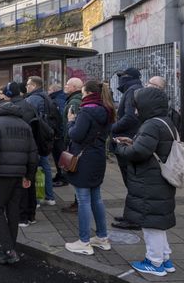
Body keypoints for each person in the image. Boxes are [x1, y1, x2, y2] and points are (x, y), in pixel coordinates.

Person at [114, 87, 177, 277]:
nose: (135, 111)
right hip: (160, 181)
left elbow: (139, 153)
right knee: (157, 221)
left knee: (150, 224)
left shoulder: (151, 125)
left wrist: (121, 149)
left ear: (147, 105)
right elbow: (149, 147)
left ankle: (154, 262)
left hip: (149, 182)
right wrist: (133, 142)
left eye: (137, 107)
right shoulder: (164, 122)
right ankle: (165, 259)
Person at [0, 101, 38, 265]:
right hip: (18, 175)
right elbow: (33, 154)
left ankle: (9, 250)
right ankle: (11, 247)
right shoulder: (25, 125)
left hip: (2, 175)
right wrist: (29, 176)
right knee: (13, 211)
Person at [64, 80, 115, 255]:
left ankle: (84, 241)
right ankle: (102, 238)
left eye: (83, 93)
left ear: (88, 93)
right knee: (96, 198)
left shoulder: (86, 111)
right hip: (98, 158)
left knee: (84, 200)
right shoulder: (107, 110)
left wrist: (70, 122)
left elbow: (76, 135)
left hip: (83, 159)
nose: (82, 96)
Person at [2, 82, 39, 227]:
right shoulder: (29, 104)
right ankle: (31, 215)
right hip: (32, 150)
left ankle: (22, 217)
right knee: (30, 182)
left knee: (20, 186)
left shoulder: (13, 108)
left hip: (18, 152)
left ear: (9, 94)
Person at [111, 67, 143, 230]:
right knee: (131, 181)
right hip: (130, 140)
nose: (120, 79)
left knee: (131, 181)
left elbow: (130, 117)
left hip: (127, 141)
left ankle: (134, 219)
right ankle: (130, 215)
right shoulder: (135, 89)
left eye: (122, 76)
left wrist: (113, 128)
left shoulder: (132, 91)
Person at [25, 76, 56, 206]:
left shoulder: (32, 99)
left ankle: (37, 199)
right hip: (45, 137)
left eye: (28, 84)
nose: (26, 87)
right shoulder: (46, 97)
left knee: (34, 168)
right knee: (46, 167)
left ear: (33, 86)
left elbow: (28, 119)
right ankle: (50, 197)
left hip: (35, 138)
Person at [61, 77, 83, 213]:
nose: (65, 86)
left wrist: (67, 139)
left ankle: (79, 202)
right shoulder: (75, 99)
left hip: (72, 142)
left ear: (74, 87)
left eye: (67, 85)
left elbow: (72, 123)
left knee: (75, 172)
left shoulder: (74, 102)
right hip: (74, 141)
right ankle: (79, 201)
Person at [49, 83, 67, 187]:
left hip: (59, 136)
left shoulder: (58, 100)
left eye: (49, 89)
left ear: (54, 90)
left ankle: (63, 178)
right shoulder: (58, 98)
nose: (48, 91)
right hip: (59, 134)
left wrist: (59, 133)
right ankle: (60, 175)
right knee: (58, 157)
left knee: (61, 156)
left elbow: (60, 118)